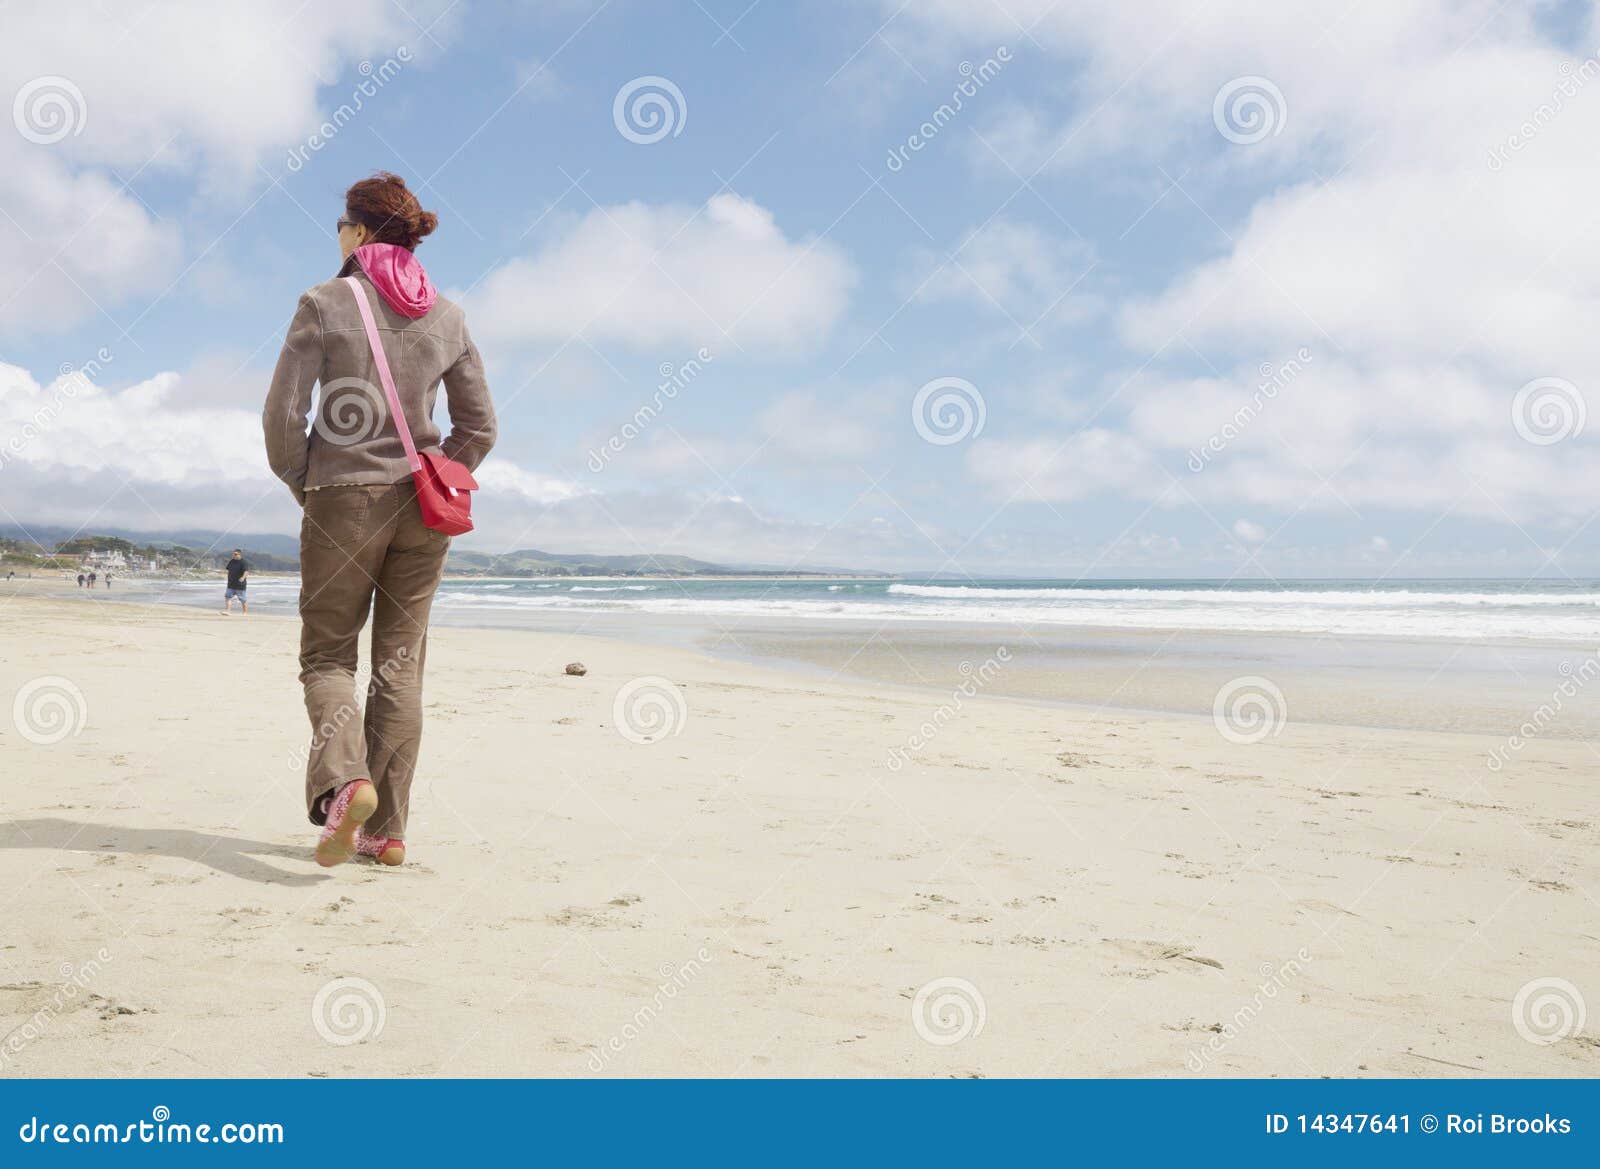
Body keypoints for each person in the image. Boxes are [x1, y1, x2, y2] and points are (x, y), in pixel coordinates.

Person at [263, 172, 496, 870]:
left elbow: (282, 415)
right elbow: (480, 425)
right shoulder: (448, 316)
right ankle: (385, 831)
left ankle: (347, 784)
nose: (336, 234)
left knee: (329, 655)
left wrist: (307, 481)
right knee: (400, 665)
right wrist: (439, 468)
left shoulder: (325, 300)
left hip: (343, 495)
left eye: (340, 223)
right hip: (423, 509)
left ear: (359, 232)